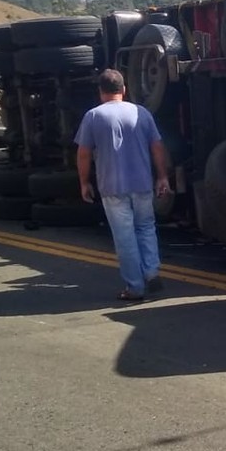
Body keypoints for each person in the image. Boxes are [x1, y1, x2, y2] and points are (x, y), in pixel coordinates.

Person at [74, 68, 172, 301]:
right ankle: (151, 272)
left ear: (101, 92)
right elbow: (157, 147)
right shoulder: (142, 113)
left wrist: (84, 182)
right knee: (146, 227)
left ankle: (134, 287)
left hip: (112, 186)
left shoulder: (93, 116)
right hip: (142, 183)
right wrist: (162, 176)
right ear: (124, 90)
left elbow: (84, 154)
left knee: (125, 236)